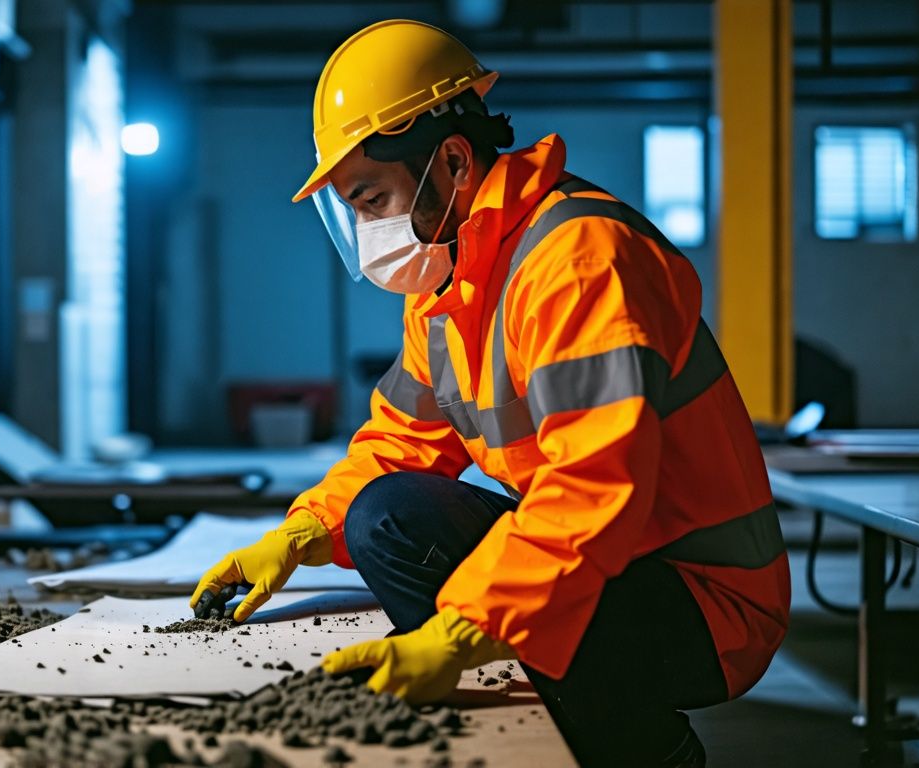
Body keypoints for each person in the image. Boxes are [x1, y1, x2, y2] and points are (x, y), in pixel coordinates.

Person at [190, 19, 790, 768]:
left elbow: (590, 490)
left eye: (372, 198)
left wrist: (462, 628)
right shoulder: (447, 285)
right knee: (388, 517)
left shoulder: (577, 259)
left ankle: (644, 748)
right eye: (353, 208)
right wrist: (301, 533)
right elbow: (398, 446)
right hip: (615, 565)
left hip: (702, 603)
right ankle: (542, 715)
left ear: (450, 161)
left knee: (421, 550)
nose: (367, 227)